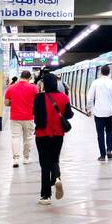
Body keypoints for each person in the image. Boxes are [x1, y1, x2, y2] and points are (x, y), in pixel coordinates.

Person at [33, 70, 73, 204]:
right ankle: (56, 178)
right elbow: (69, 114)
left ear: (44, 84)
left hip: (42, 134)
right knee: (54, 159)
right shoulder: (64, 97)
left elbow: (35, 115)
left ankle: (45, 196)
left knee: (44, 164)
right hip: (58, 134)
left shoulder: (39, 97)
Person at [3, 70, 39, 168]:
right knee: (27, 138)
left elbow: (6, 103)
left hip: (15, 117)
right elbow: (37, 102)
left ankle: (15, 159)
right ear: (29, 78)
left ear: (20, 76)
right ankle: (26, 158)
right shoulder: (34, 88)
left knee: (15, 137)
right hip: (29, 117)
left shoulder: (11, 88)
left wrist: (14, 103)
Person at [87, 63, 112, 161]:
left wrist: (89, 109)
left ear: (101, 72)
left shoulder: (95, 83)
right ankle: (109, 150)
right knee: (109, 131)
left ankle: (102, 155)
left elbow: (90, 98)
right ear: (109, 72)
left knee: (100, 133)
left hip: (98, 113)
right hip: (109, 112)